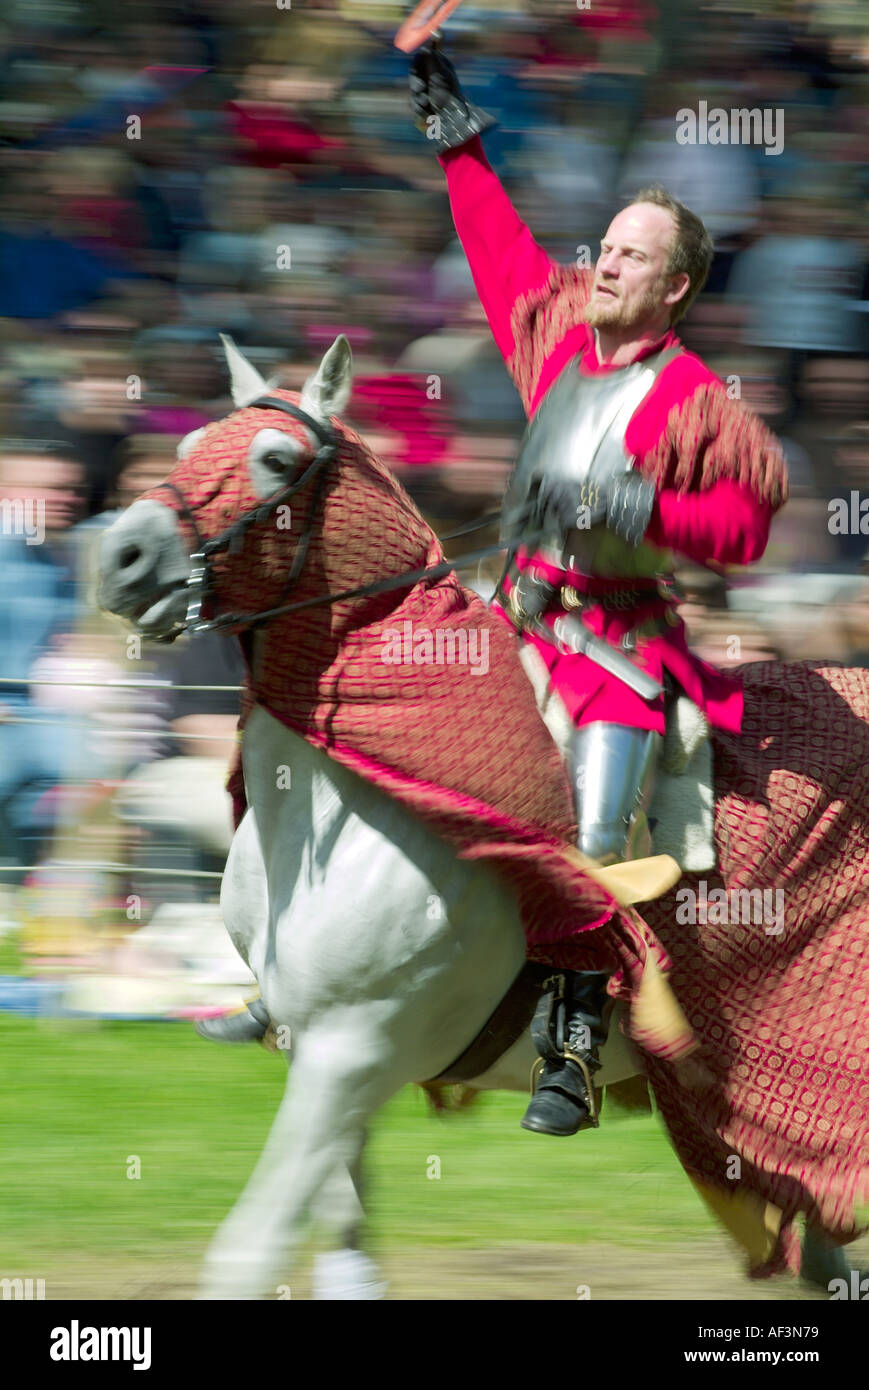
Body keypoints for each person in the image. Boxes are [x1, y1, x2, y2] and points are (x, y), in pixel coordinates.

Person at [408, 44, 789, 1135]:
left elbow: (745, 524)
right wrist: (460, 143)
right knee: (391, 707)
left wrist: (643, 514)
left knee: (591, 820)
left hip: (617, 647)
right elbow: (497, 248)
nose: (605, 264)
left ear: (673, 285)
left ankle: (570, 1048)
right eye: (605, 247)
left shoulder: (694, 401)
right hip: (513, 613)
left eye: (631, 256)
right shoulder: (554, 340)